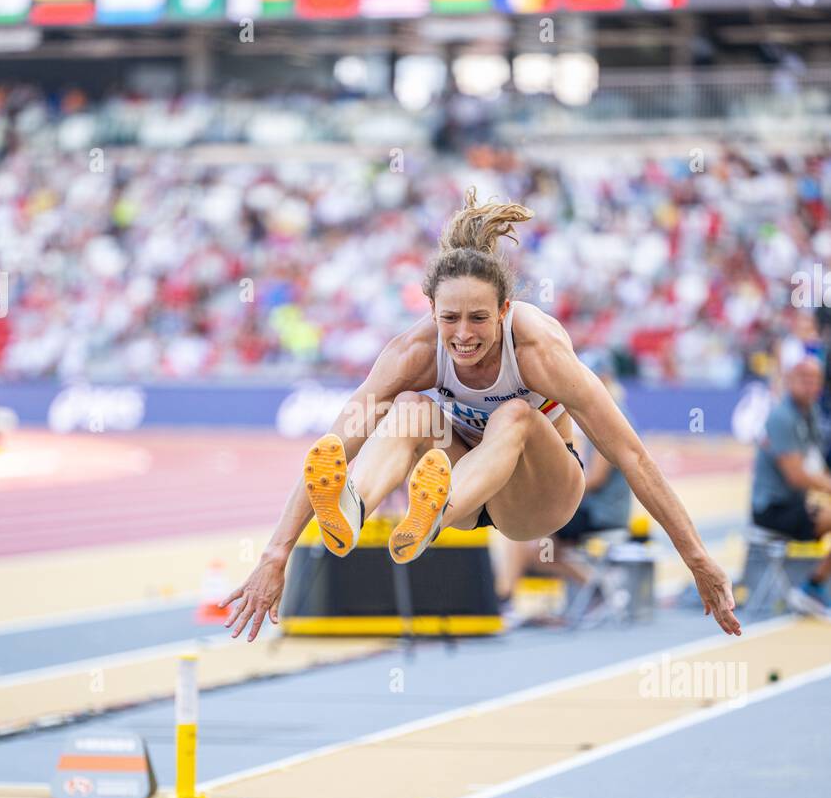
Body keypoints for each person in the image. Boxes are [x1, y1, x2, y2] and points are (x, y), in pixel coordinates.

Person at [223, 189, 739, 639]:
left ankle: (431, 515)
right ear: (431, 309)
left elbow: (631, 455)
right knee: (409, 408)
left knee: (514, 414)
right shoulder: (413, 353)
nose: (464, 335)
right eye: (450, 318)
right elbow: (336, 444)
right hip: (466, 481)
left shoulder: (538, 351)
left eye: (479, 318)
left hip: (539, 497)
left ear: (505, 310)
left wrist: (697, 559)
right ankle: (354, 511)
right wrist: (275, 555)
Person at [492, 349, 633, 609]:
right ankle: (596, 588)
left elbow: (595, 479)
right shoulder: (600, 414)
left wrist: (555, 493)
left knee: (519, 526)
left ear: (605, 379)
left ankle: (503, 598)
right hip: (596, 509)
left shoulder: (611, 416)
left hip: (601, 513)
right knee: (536, 547)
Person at [751, 353, 831, 614]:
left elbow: (817, 464)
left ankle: (815, 585)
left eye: (815, 379)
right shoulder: (782, 417)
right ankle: (813, 586)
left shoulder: (811, 413)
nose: (810, 385)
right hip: (772, 510)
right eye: (804, 378)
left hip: (795, 505)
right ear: (789, 380)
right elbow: (796, 476)